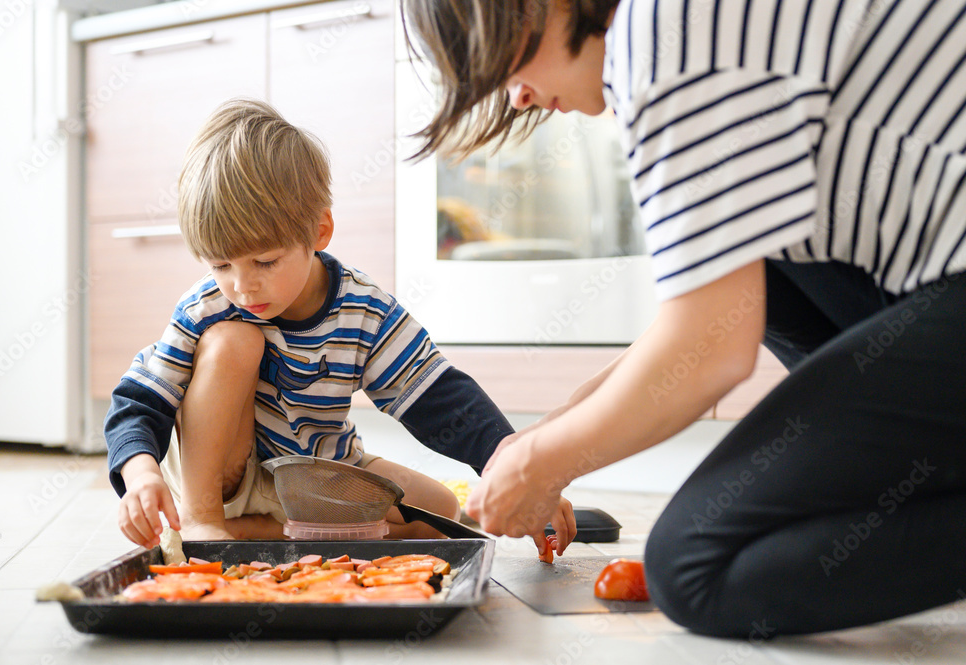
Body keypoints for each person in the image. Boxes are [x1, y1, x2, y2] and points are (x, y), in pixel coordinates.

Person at [401, 0, 966, 638]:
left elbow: (713, 345)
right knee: (759, 256)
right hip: (927, 283)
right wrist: (545, 435)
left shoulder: (661, 38)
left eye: (498, 62)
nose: (518, 97)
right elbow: (714, 307)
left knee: (695, 567)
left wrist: (542, 465)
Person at [104, 98, 576, 551]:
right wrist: (141, 473)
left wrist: (520, 469)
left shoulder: (364, 310)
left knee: (441, 508)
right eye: (220, 265)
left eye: (264, 261)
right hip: (229, 472)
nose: (242, 286)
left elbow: (440, 397)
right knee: (235, 340)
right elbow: (140, 400)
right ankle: (204, 521)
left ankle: (261, 531)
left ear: (319, 233)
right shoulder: (208, 305)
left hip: (316, 469)